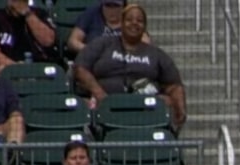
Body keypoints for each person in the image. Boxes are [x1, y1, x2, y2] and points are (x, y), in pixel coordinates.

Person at [73, 5, 185, 133]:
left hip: (144, 107)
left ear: (145, 26)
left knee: (168, 101)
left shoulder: (155, 53)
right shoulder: (102, 44)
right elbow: (80, 67)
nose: (134, 23)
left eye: (139, 21)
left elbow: (174, 85)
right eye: (129, 19)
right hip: (106, 104)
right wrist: (100, 94)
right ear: (121, 22)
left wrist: (179, 107)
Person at [0, 0, 58, 69]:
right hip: (10, 68)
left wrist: (27, 14)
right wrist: (18, 68)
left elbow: (48, 41)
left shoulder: (39, 14)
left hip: (40, 67)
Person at [68, 0, 135, 57]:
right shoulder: (92, 14)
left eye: (116, 6)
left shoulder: (131, 18)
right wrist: (91, 50)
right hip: (93, 59)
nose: (111, 10)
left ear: (123, 6)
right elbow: (73, 41)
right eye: (108, 5)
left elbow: (144, 42)